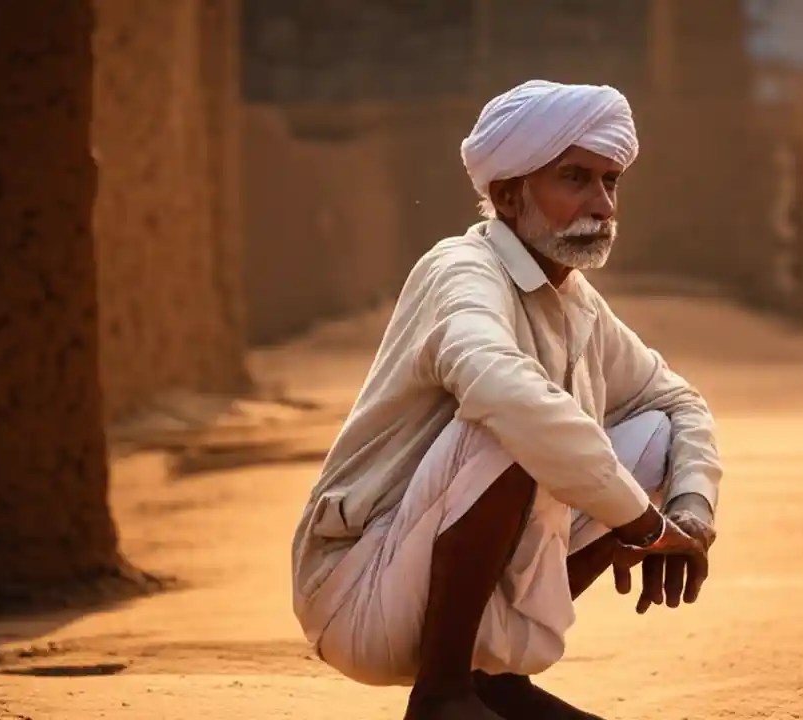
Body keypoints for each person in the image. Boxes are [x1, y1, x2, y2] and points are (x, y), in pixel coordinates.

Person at [291, 79, 723, 720]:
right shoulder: (460, 270)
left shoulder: (576, 304)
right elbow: (496, 385)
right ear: (508, 194)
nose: (601, 204)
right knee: (513, 420)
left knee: (654, 429)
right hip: (358, 590)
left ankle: (494, 677)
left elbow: (680, 402)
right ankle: (442, 693)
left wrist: (687, 515)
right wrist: (641, 523)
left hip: (438, 596)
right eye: (575, 178)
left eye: (610, 182)